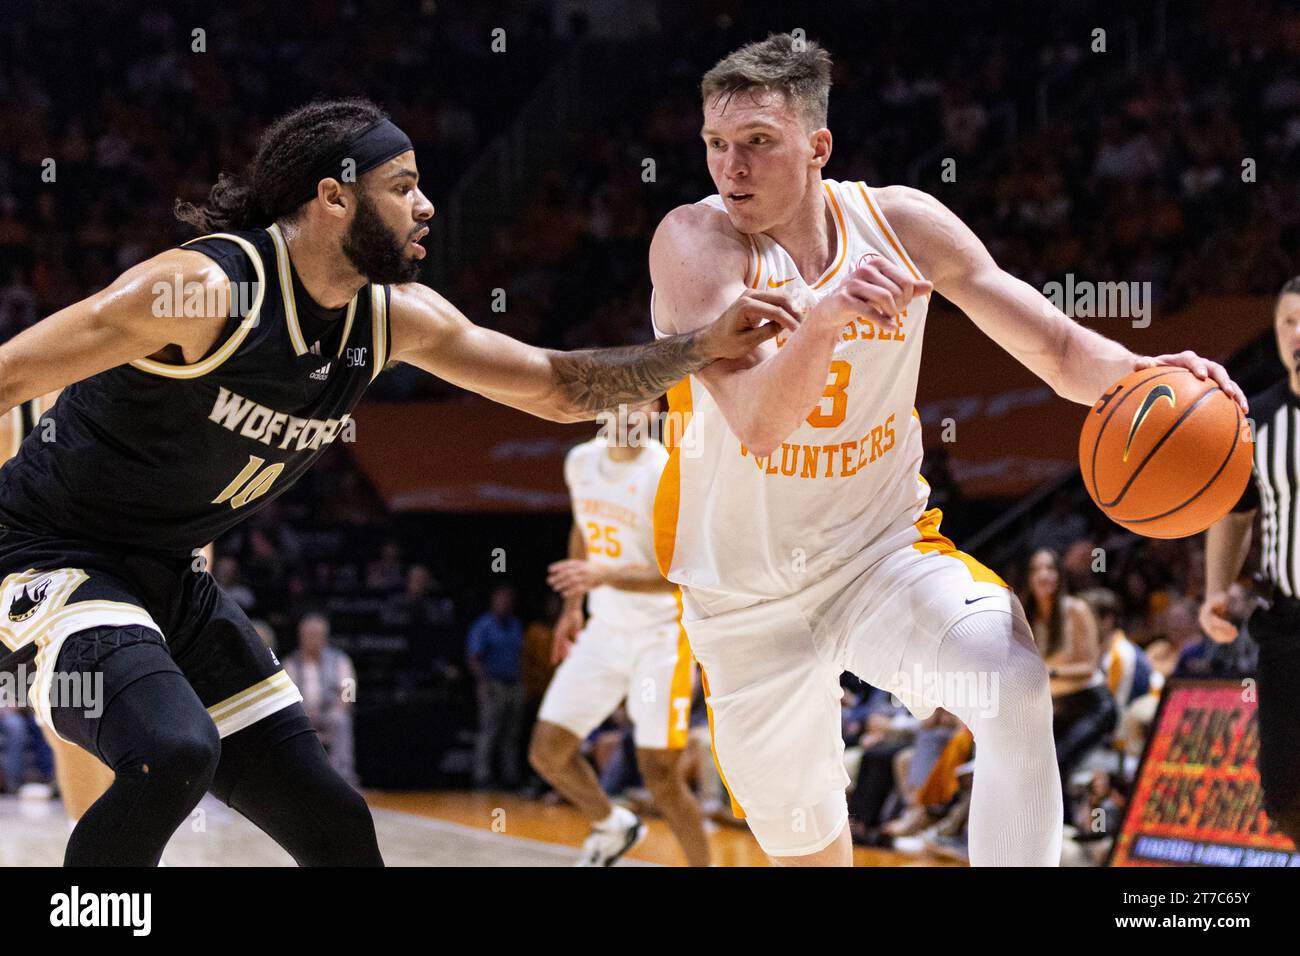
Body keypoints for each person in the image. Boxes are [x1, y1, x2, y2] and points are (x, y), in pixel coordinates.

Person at [0, 98, 772, 866]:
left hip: (169, 571)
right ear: (332, 197)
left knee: (336, 827)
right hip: (48, 553)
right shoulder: (204, 290)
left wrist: (698, 347)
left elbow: (558, 386)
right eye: (401, 186)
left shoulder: (394, 318)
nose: (426, 204)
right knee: (171, 752)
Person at [647, 33, 1245, 866]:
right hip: (743, 598)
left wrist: (1145, 373)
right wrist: (823, 321)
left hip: (878, 557)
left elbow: (1063, 354)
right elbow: (757, 425)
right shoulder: (693, 245)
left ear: (817, 147)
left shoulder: (904, 226)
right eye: (716, 145)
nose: (730, 169)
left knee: (1012, 684)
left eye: (756, 144)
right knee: (812, 853)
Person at [530, 401, 710, 866]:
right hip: (604, 630)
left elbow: (681, 575)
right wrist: (573, 605)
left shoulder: (665, 471)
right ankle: (612, 824)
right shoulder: (581, 461)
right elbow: (582, 529)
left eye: (638, 404)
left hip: (661, 636)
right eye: (616, 404)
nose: (626, 414)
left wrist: (602, 576)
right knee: (548, 752)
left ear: (653, 411)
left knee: (661, 777)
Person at [1202, 274, 1300, 844]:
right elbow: (1235, 513)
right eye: (1287, 320)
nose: (1297, 332)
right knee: (1286, 793)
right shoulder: (1257, 420)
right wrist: (1217, 591)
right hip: (1287, 621)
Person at [1020, 548, 1117, 820]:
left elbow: (1088, 667)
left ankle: (1064, 830)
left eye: (1050, 568)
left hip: (1093, 706)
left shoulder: (1076, 609)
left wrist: (1048, 671)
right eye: (1036, 569)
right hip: (1056, 708)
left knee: (1057, 760)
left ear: (1060, 575)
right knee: (1025, 758)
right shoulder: (1030, 618)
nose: (1043, 575)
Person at [283, 612, 357, 786]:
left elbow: (350, 689)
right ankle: (298, 777)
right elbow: (285, 695)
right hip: (302, 713)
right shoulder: (289, 663)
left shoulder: (340, 660)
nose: (314, 639)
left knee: (340, 720)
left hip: (331, 712)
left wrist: (341, 706)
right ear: (301, 637)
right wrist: (301, 712)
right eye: (310, 635)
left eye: (318, 635)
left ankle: (343, 778)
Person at [467, 586, 525, 789]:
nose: (505, 603)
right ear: (493, 600)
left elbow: (521, 656)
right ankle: (482, 777)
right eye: (501, 599)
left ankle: (510, 778)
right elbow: (473, 657)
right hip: (493, 685)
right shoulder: (484, 626)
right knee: (489, 731)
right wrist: (482, 684)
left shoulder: (516, 625)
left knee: (511, 735)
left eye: (509, 599)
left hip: (515, 685)